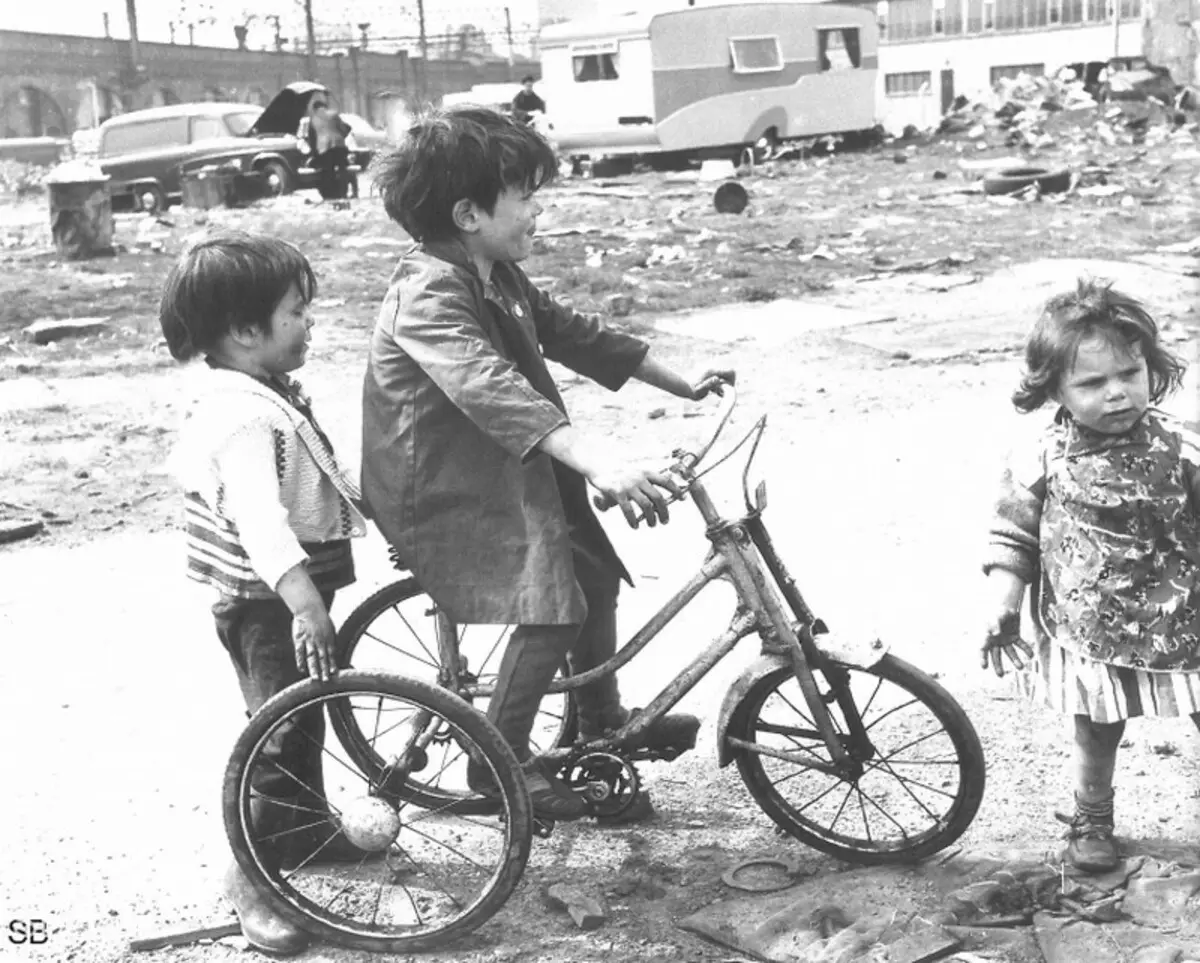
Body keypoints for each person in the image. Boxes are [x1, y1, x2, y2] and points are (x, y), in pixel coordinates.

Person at [361, 106, 734, 822]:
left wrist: (683, 380)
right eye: (526, 196)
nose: (538, 211)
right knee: (553, 600)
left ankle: (600, 720)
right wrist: (596, 461)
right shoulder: (426, 295)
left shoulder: (494, 272)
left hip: (498, 458)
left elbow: (575, 334)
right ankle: (495, 760)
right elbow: (490, 388)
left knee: (593, 569)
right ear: (469, 213)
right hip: (440, 483)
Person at [160, 231, 368, 956]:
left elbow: (315, 470)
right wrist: (304, 600)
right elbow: (260, 518)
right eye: (296, 312)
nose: (309, 322)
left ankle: (305, 827)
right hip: (270, 601)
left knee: (303, 712)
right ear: (246, 332)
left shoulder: (258, 388)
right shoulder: (242, 413)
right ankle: (249, 876)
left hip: (281, 595)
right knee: (277, 733)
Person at [982, 277, 1198, 874]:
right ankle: (1092, 819)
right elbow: (1013, 536)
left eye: (1130, 374)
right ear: (1054, 387)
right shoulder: (1040, 456)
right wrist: (1003, 601)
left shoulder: (1182, 446)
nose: (1118, 394)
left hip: (1186, 617)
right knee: (1097, 729)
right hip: (1092, 626)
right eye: (1093, 383)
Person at [304, 97, 355, 201]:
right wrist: (340, 137)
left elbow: (311, 138)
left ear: (314, 109)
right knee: (342, 169)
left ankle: (330, 195)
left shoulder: (313, 119)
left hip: (324, 149)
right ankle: (343, 193)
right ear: (325, 106)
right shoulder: (334, 114)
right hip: (339, 145)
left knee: (328, 171)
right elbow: (344, 129)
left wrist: (314, 153)